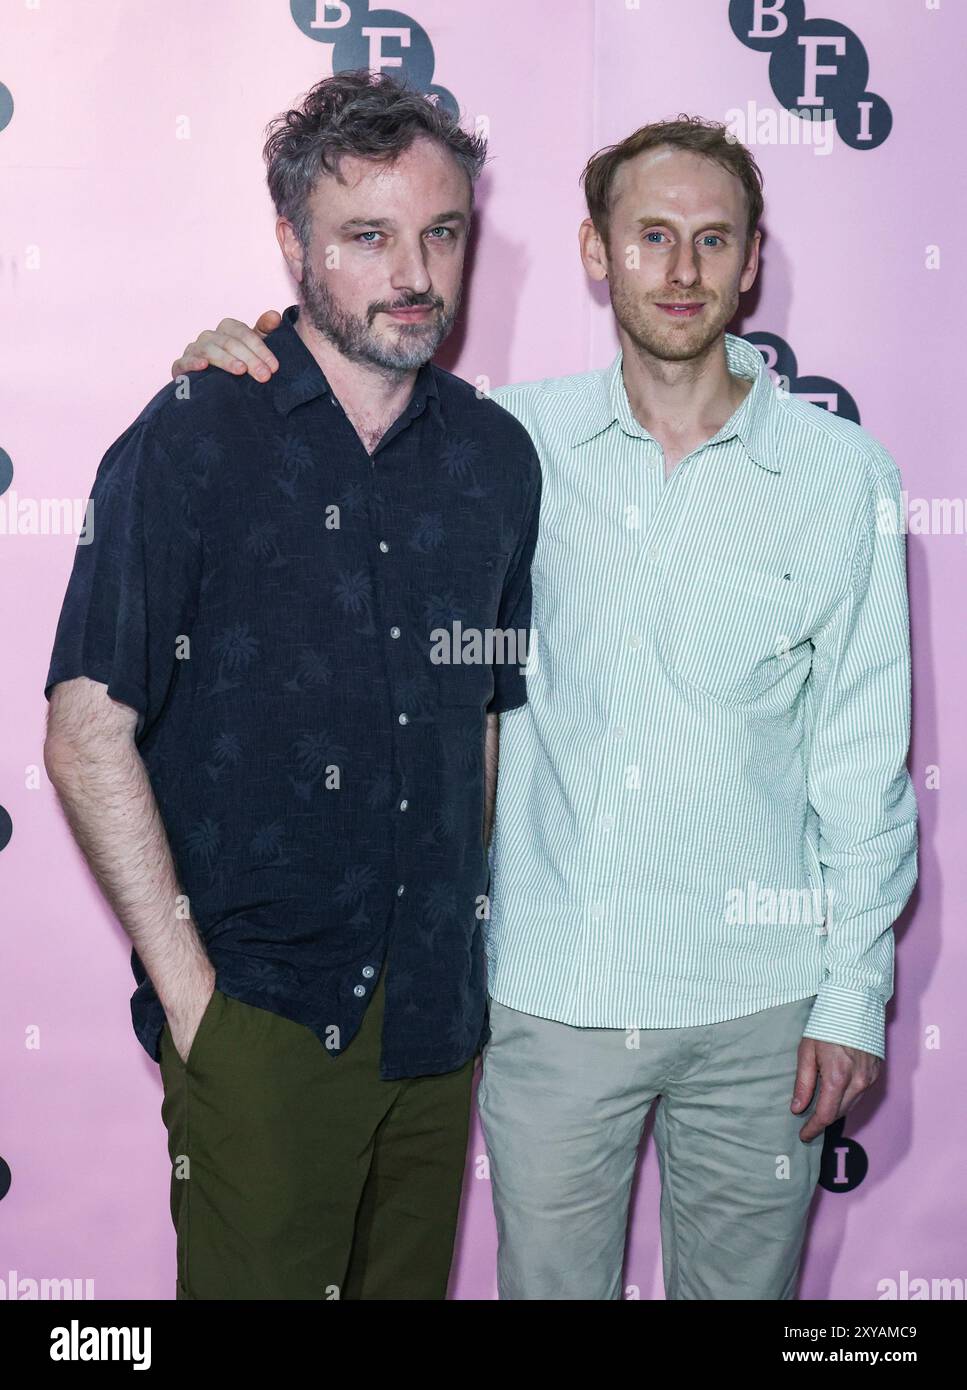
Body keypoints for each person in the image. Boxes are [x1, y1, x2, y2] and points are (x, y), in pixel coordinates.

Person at [169, 116, 918, 1300]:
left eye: (712, 240)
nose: (681, 270)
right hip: (548, 994)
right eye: (651, 237)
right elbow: (340, 387)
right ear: (592, 252)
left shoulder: (844, 481)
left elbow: (864, 763)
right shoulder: (501, 444)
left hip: (765, 1012)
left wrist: (853, 998)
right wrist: (250, 349)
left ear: (752, 260)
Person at [42, 70, 541, 1301]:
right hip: (259, 1019)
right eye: (367, 237)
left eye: (440, 231)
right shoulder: (195, 434)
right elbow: (83, 729)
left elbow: (479, 720)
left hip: (435, 1018)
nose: (414, 274)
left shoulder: (494, 458)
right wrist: (195, 998)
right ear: (292, 247)